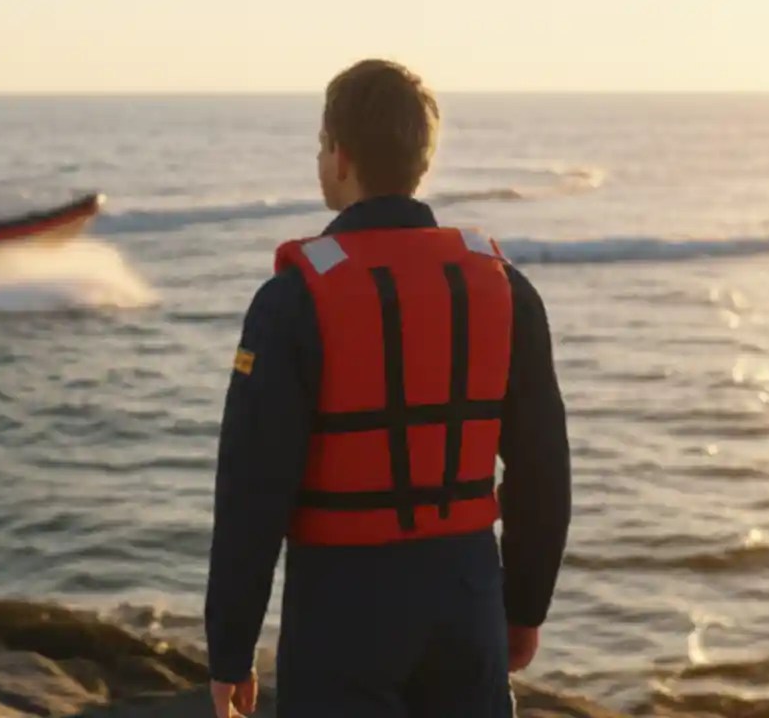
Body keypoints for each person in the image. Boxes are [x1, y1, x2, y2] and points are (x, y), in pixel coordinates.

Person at [204, 58, 572, 718]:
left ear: (340, 156)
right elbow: (544, 468)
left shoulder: (294, 301)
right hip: (467, 598)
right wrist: (524, 609)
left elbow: (250, 491)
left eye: (321, 144)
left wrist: (230, 649)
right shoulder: (503, 288)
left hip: (342, 613)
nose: (321, 158)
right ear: (420, 160)